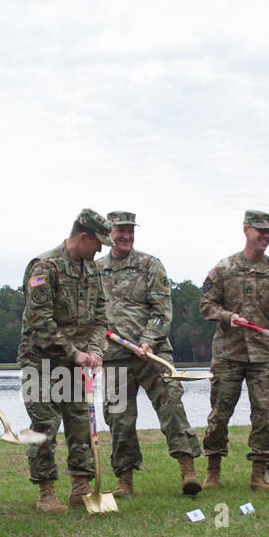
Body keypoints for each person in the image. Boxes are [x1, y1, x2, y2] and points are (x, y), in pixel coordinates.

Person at [199, 210, 269, 492]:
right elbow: (206, 305)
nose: (266, 237)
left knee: (266, 416)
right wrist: (226, 316)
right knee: (219, 414)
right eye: (261, 231)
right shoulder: (224, 268)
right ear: (246, 230)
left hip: (263, 356)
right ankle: (213, 470)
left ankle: (259, 474)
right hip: (228, 354)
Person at [98, 210, 202, 496]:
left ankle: (188, 471)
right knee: (118, 418)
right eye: (120, 230)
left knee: (172, 406)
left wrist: (148, 340)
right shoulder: (95, 270)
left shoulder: (150, 265)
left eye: (130, 230)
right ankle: (125, 481)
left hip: (153, 354)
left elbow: (162, 310)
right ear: (109, 233)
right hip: (114, 358)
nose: (126, 236)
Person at [18, 208, 111, 514]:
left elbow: (101, 317)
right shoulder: (45, 267)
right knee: (45, 425)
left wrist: (96, 351)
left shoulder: (91, 269)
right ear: (83, 237)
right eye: (98, 243)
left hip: (78, 363)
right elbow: (40, 323)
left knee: (80, 423)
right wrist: (75, 353)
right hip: (41, 361)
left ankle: (81, 488)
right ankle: (46, 492)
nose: (100, 249)